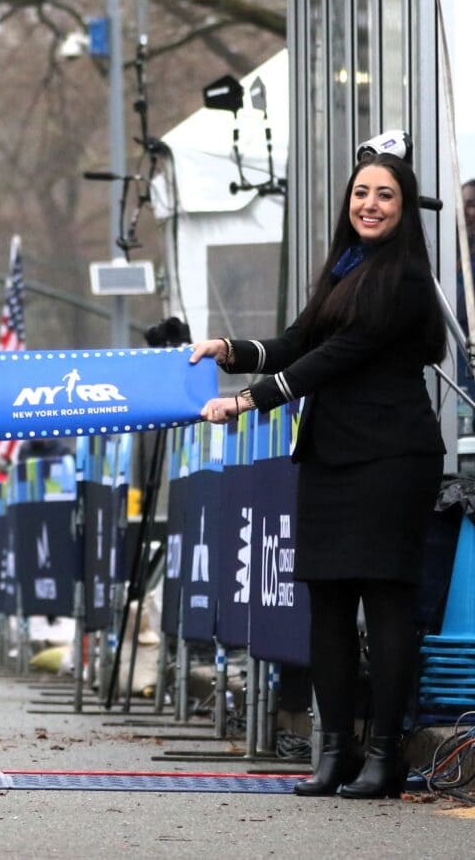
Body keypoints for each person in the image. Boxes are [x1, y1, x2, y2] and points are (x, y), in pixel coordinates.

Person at [191, 153, 444, 799]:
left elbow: (334, 358)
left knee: (385, 604)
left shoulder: (408, 277)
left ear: (403, 207)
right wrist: (229, 350)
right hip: (332, 456)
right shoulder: (344, 268)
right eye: (361, 192)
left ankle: (385, 757)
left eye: (385, 195)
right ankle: (337, 753)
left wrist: (248, 400)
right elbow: (298, 341)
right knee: (327, 607)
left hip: (391, 457)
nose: (370, 204)